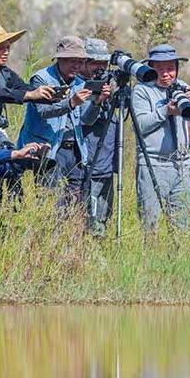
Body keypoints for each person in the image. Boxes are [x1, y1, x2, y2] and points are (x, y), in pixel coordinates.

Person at [17, 36, 111, 205]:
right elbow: (43, 111)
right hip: (50, 150)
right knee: (51, 202)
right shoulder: (41, 79)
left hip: (75, 151)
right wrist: (71, 102)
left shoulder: (80, 83)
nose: (76, 65)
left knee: (77, 201)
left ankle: (74, 230)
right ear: (60, 59)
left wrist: (97, 103)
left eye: (80, 61)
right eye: (71, 60)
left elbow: (86, 121)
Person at [132, 44, 190, 230]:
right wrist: (166, 111)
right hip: (153, 165)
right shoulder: (142, 91)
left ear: (176, 68)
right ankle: (149, 258)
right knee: (150, 225)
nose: (166, 74)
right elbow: (140, 125)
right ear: (150, 68)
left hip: (182, 166)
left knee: (182, 227)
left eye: (170, 68)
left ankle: (179, 258)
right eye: (160, 68)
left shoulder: (182, 87)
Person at [81, 38, 117, 236]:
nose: (100, 68)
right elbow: (84, 120)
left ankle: (101, 245)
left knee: (104, 216)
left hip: (108, 162)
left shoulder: (111, 85)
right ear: (84, 62)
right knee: (88, 217)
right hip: (89, 163)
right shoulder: (79, 85)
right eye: (95, 62)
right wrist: (96, 101)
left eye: (104, 63)